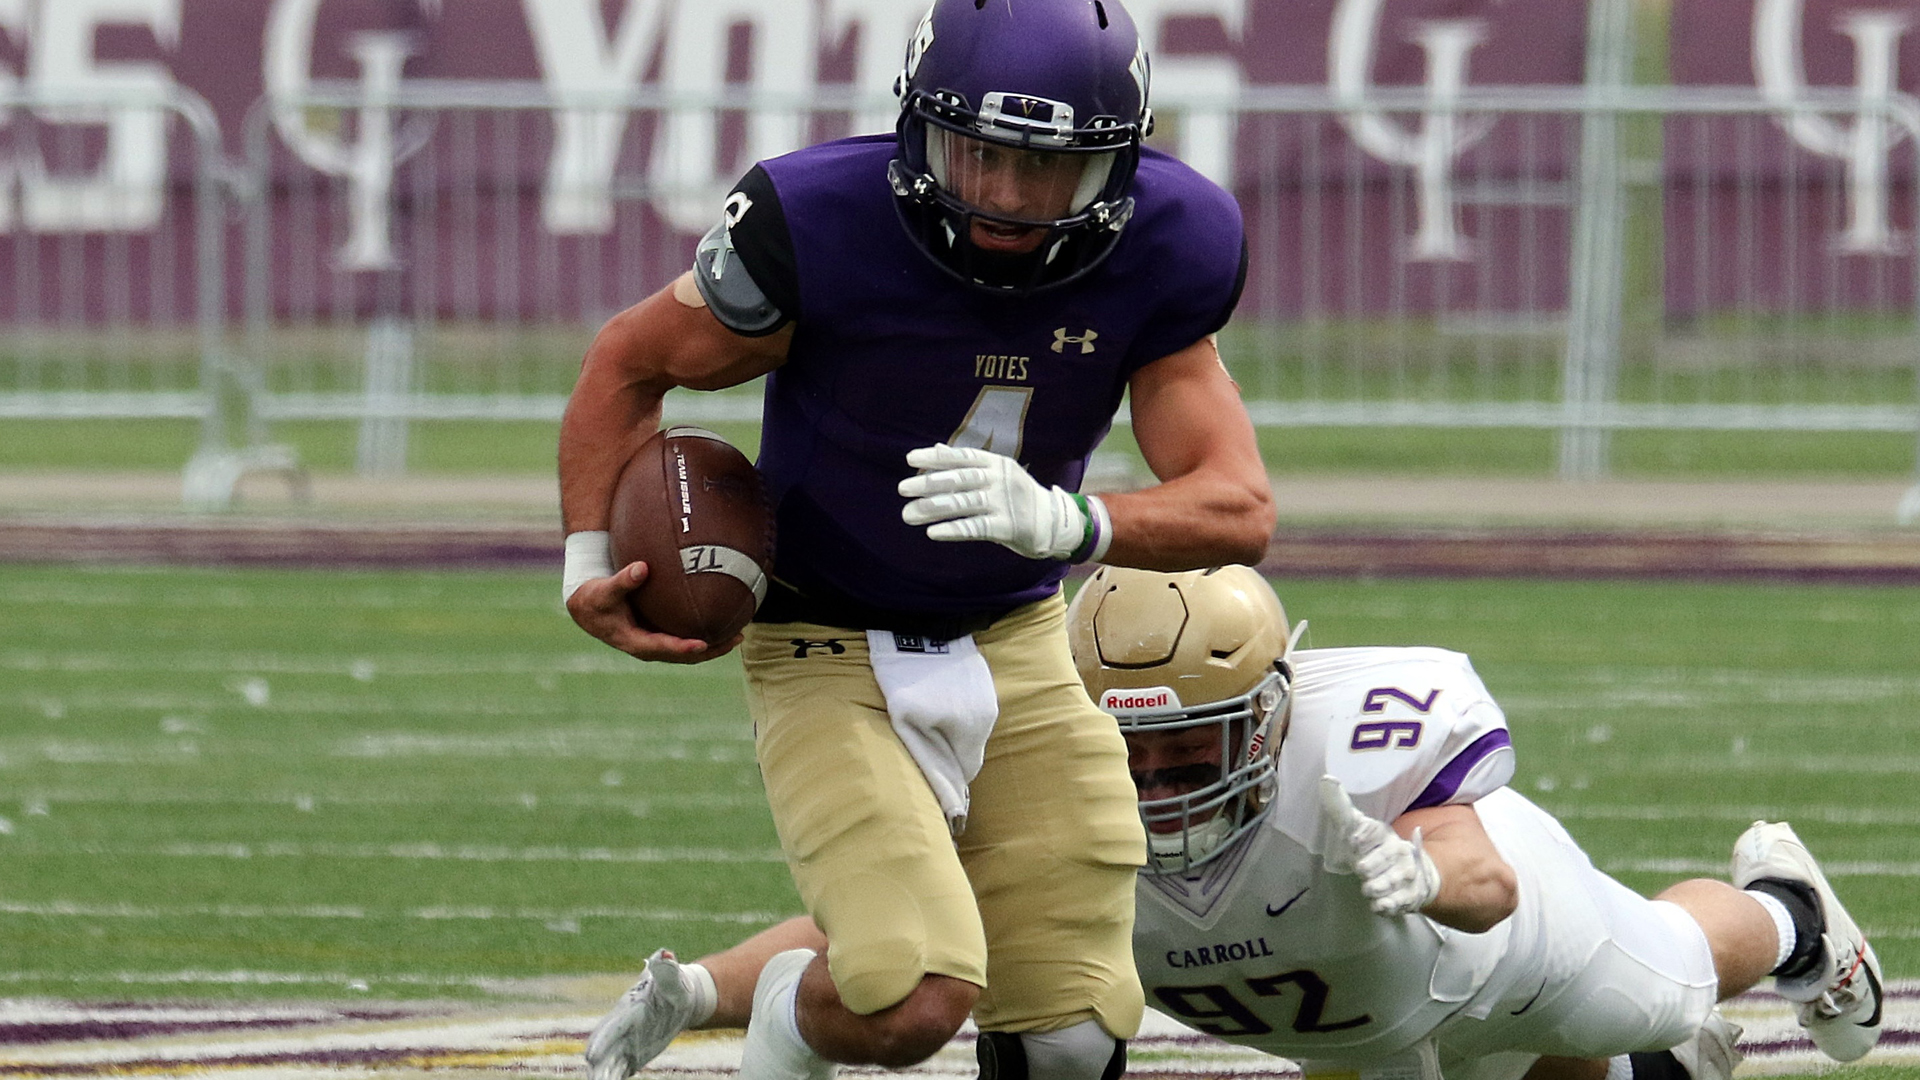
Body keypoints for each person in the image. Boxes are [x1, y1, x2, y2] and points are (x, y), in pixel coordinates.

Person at [558, 0, 1274, 1077]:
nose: (1004, 197)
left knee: (1076, 1036)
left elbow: (1239, 504)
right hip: (821, 636)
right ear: (917, 124)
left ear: (1119, 166)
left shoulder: (1171, 243)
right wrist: (585, 561)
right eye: (976, 154)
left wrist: (1075, 520)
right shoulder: (816, 220)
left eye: (1047, 170)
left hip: (1018, 637)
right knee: (911, 997)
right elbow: (628, 362)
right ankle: (788, 1017)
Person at [584, 567, 1885, 1080]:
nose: (1159, 783)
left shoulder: (1364, 732)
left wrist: (1421, 877)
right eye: (1125, 747)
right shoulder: (1046, 800)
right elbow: (881, 929)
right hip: (1363, 1029)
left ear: (1270, 711)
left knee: (1653, 983)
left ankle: (1787, 914)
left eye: (1193, 744)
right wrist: (700, 986)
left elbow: (1482, 879)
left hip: (1501, 948)